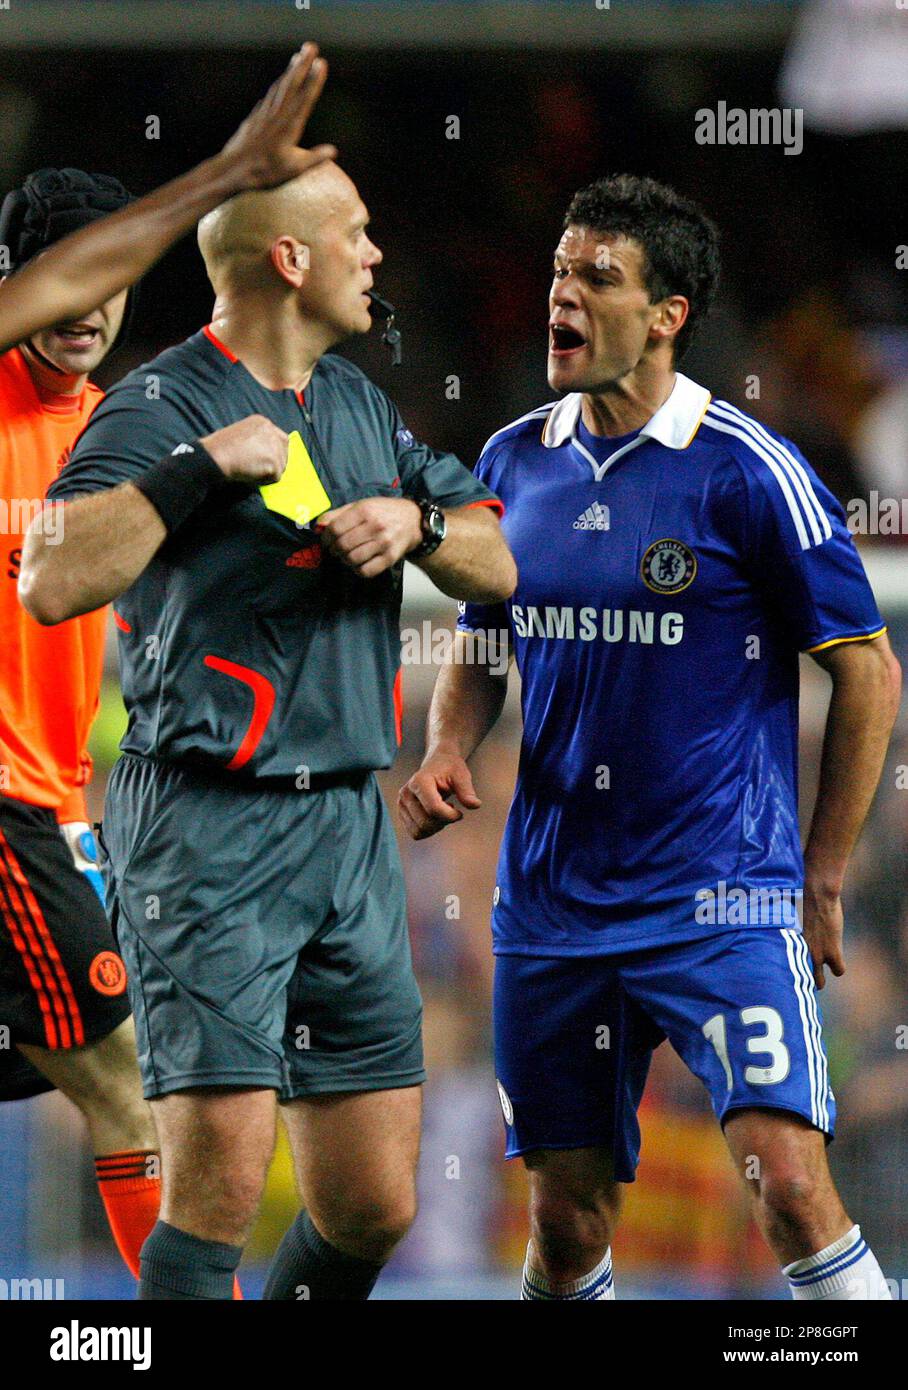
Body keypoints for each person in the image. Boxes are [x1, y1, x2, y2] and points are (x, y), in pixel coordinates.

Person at [19, 160, 516, 1301]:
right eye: (356, 230)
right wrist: (199, 472)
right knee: (217, 1200)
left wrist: (418, 520)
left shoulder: (352, 402)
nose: (375, 252)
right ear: (288, 259)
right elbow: (49, 578)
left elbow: (498, 559)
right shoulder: (161, 406)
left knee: (372, 1205)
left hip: (345, 824)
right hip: (207, 828)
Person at [400, 173, 902, 1302]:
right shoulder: (510, 461)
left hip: (718, 896)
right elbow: (480, 638)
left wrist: (819, 869)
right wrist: (447, 750)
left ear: (666, 314)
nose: (560, 299)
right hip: (553, 905)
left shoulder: (746, 471)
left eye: (595, 278)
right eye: (556, 274)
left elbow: (867, 668)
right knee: (568, 1219)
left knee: (783, 1181)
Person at [0, 39, 333, 1293]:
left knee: (62, 1065)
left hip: (53, 806)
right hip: (4, 807)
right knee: (127, 1081)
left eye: (120, 287)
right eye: (74, 281)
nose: (93, 309)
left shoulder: (117, 435)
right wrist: (221, 177)